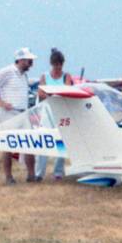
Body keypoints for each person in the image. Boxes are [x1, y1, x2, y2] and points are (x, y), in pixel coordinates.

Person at [0, 47, 36, 184]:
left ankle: (31, 175)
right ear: (20, 60)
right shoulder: (7, 71)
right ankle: (8, 176)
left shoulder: (24, 75)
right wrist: (0, 102)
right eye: (29, 61)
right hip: (9, 113)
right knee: (8, 145)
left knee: (30, 143)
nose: (31, 64)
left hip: (23, 112)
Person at [35, 49, 73, 180]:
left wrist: (52, 93)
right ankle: (39, 173)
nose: (58, 67)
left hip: (61, 110)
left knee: (62, 140)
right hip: (47, 111)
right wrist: (52, 94)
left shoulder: (66, 76)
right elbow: (41, 93)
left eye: (60, 64)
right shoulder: (45, 76)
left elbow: (67, 90)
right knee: (43, 139)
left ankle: (58, 172)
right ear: (52, 64)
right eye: (56, 64)